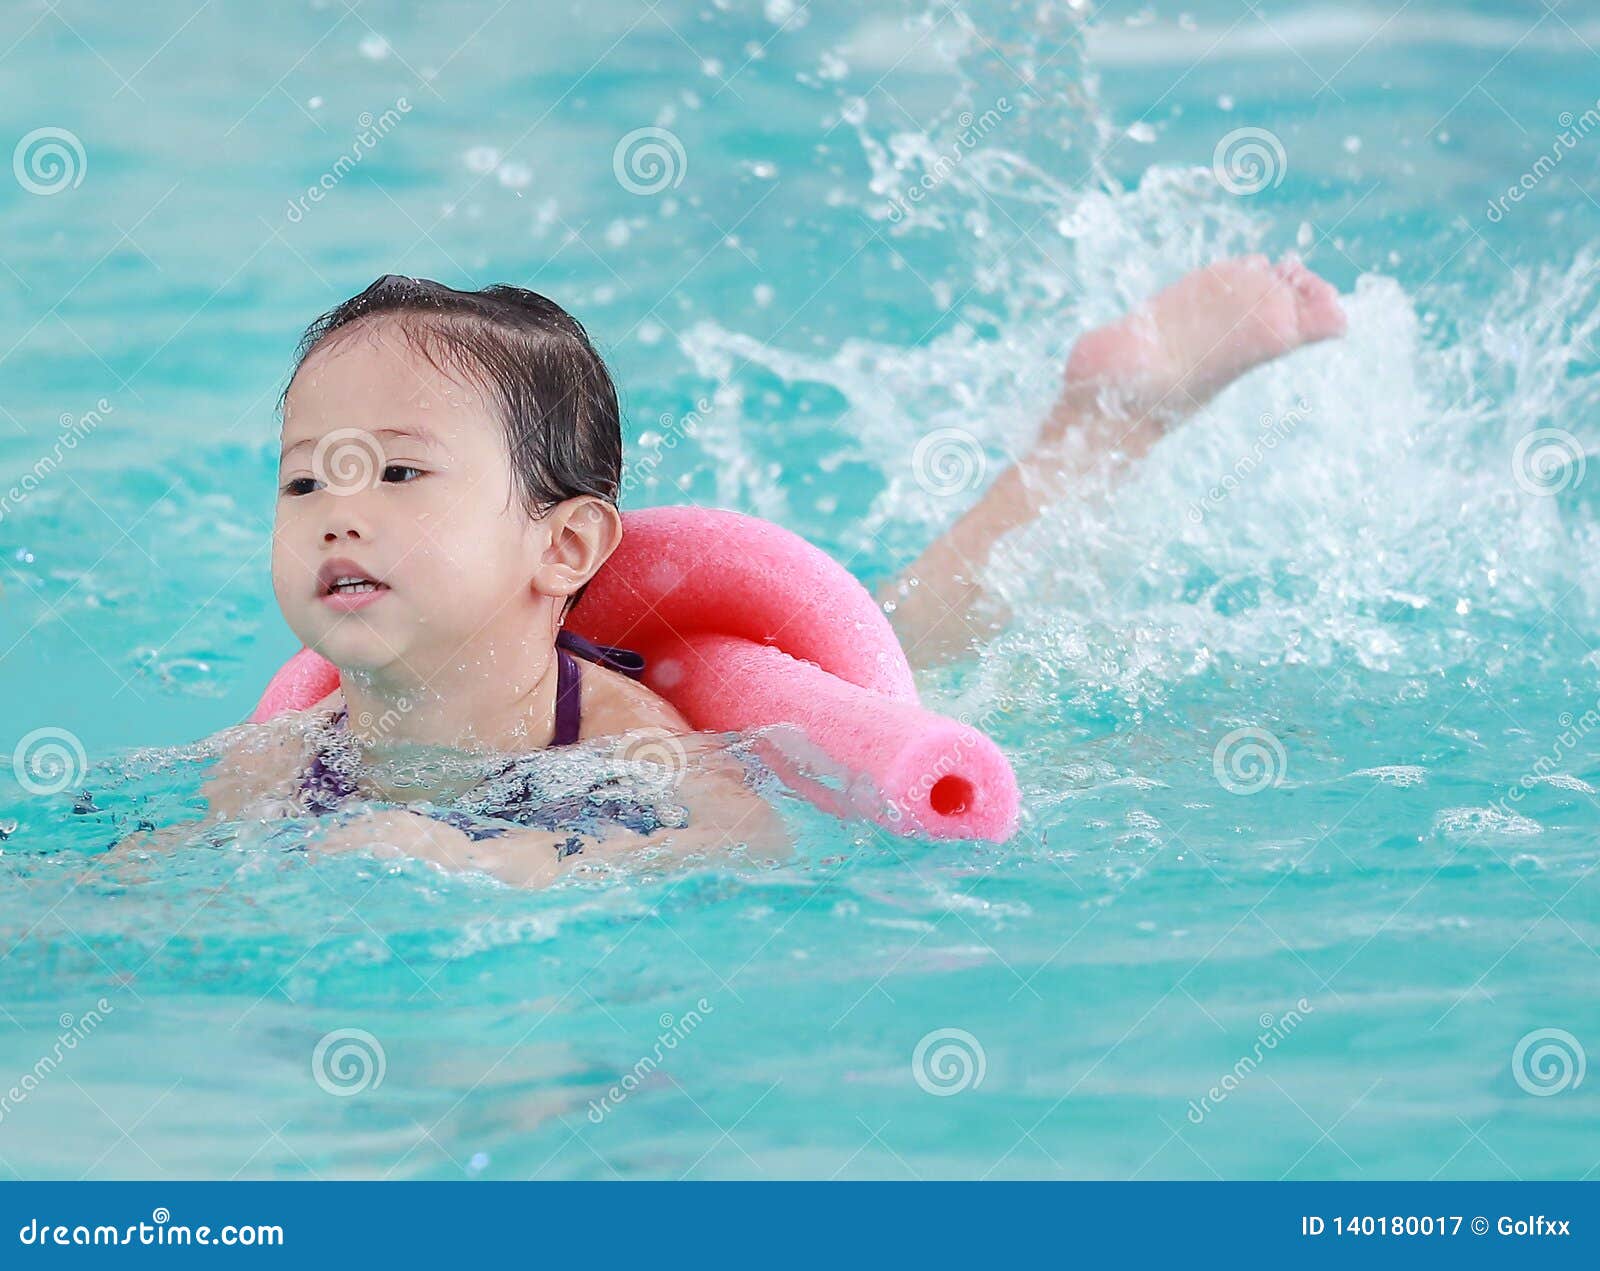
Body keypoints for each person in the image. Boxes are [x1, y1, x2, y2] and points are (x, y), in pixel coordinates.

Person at [180, 255, 1345, 886]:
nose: (338, 517)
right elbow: (164, 871)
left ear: (564, 545)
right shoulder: (288, 754)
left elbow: (746, 844)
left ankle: (1106, 420)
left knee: (944, 652)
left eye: (393, 477)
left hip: (788, 706)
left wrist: (524, 866)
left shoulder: (624, 735)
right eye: (303, 485)